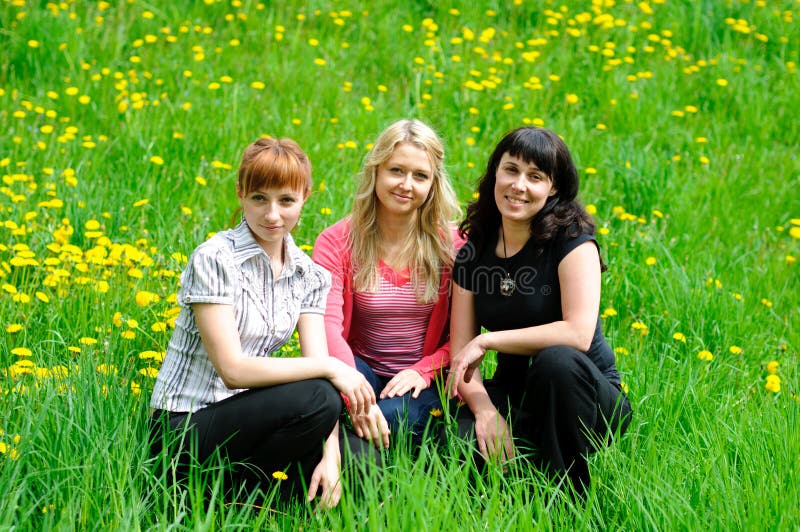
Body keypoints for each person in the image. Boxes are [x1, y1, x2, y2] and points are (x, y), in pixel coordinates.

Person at [149, 137, 375, 508]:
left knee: (361, 461)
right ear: (240, 194)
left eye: (286, 200)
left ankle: (242, 494)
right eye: (259, 198)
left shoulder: (309, 274)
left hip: (247, 421)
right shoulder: (215, 259)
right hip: (185, 428)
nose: (272, 215)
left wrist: (331, 455)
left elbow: (323, 376)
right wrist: (333, 367)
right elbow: (233, 370)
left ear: (305, 197)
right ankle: (209, 490)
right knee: (317, 394)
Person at [447, 126, 631, 495]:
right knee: (457, 438)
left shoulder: (574, 241)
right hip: (517, 392)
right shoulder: (473, 251)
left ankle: (567, 498)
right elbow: (462, 357)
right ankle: (520, 480)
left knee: (556, 360)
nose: (519, 185)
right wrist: (485, 412)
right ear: (494, 173)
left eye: (535, 177)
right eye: (511, 170)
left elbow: (578, 334)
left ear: (554, 189)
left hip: (585, 394)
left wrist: (491, 341)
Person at [313, 119, 463, 449]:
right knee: (328, 401)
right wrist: (352, 387)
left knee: (392, 416)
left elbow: (465, 333)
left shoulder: (453, 246)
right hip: (357, 366)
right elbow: (326, 325)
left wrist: (425, 370)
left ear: (433, 183)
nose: (406, 184)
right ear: (376, 171)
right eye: (396, 170)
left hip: (424, 377)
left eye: (420, 176)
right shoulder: (336, 242)